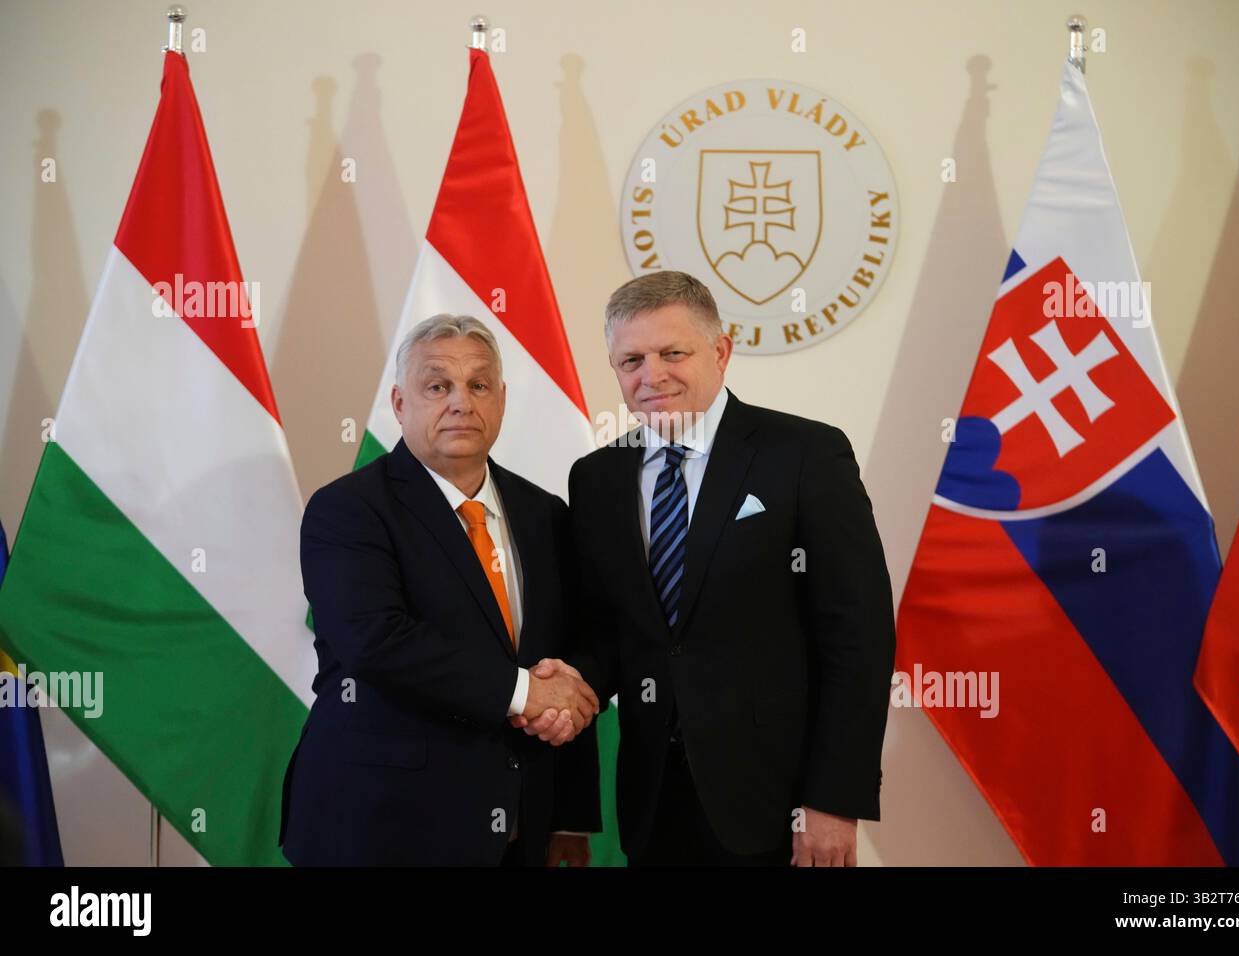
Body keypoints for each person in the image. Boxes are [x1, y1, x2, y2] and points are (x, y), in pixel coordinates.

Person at [520, 271, 894, 866]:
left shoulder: (805, 455)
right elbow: (613, 634)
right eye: (631, 360)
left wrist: (832, 799)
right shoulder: (596, 478)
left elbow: (859, 637)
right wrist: (567, 681)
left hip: (780, 806)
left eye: (673, 353)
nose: (651, 376)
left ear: (720, 352)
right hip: (652, 804)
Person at [281, 315, 599, 866]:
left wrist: (568, 816)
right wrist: (527, 692)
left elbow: (561, 659)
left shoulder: (546, 514)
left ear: (500, 400)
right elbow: (375, 641)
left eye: (478, 385)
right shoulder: (349, 509)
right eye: (437, 386)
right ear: (400, 404)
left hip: (519, 828)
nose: (461, 402)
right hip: (382, 826)